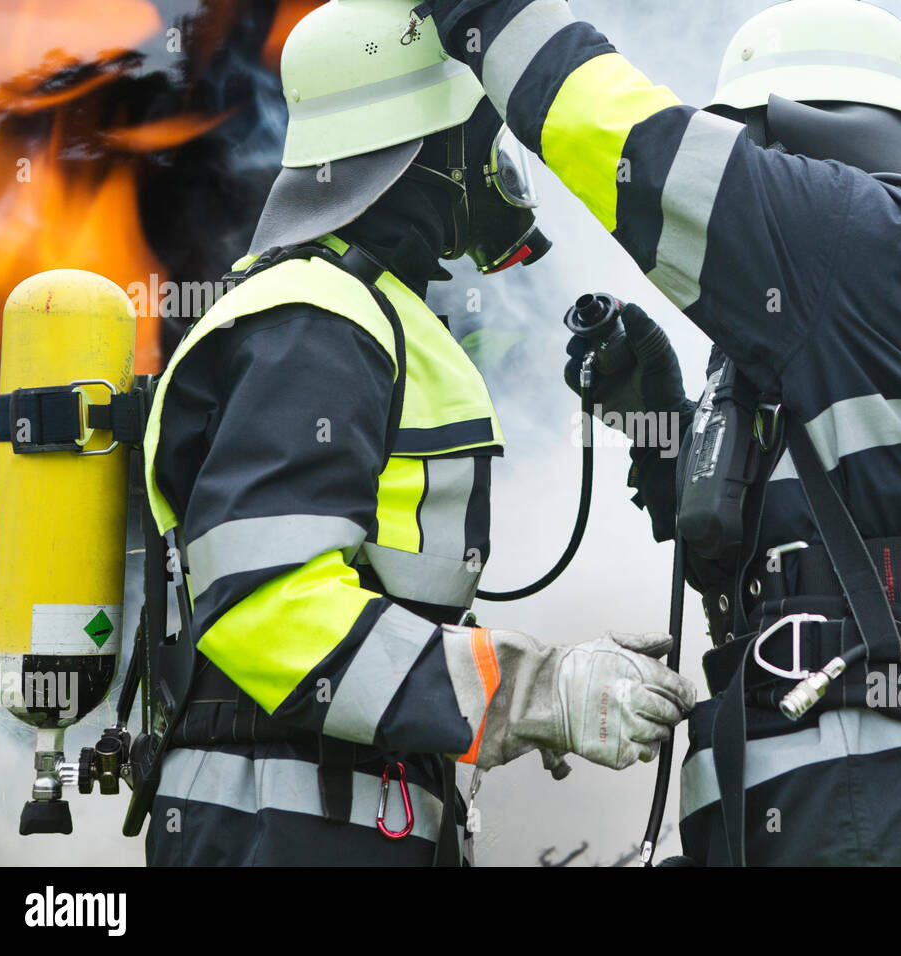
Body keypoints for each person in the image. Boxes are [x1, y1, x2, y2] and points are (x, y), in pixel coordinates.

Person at [425, 0, 901, 864]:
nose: (743, 166)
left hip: (868, 801)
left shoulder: (856, 234)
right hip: (855, 794)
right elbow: (819, 544)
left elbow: (632, 143)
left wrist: (482, 13)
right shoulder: (866, 295)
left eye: (748, 141)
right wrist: (663, 426)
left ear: (806, 129)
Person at [140, 0, 695, 866]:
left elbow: (376, 602)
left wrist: (554, 672)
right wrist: (535, 694)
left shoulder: (359, 312)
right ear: (426, 146)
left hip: (334, 826)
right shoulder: (312, 326)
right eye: (477, 135)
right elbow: (268, 606)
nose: (491, 163)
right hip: (284, 834)